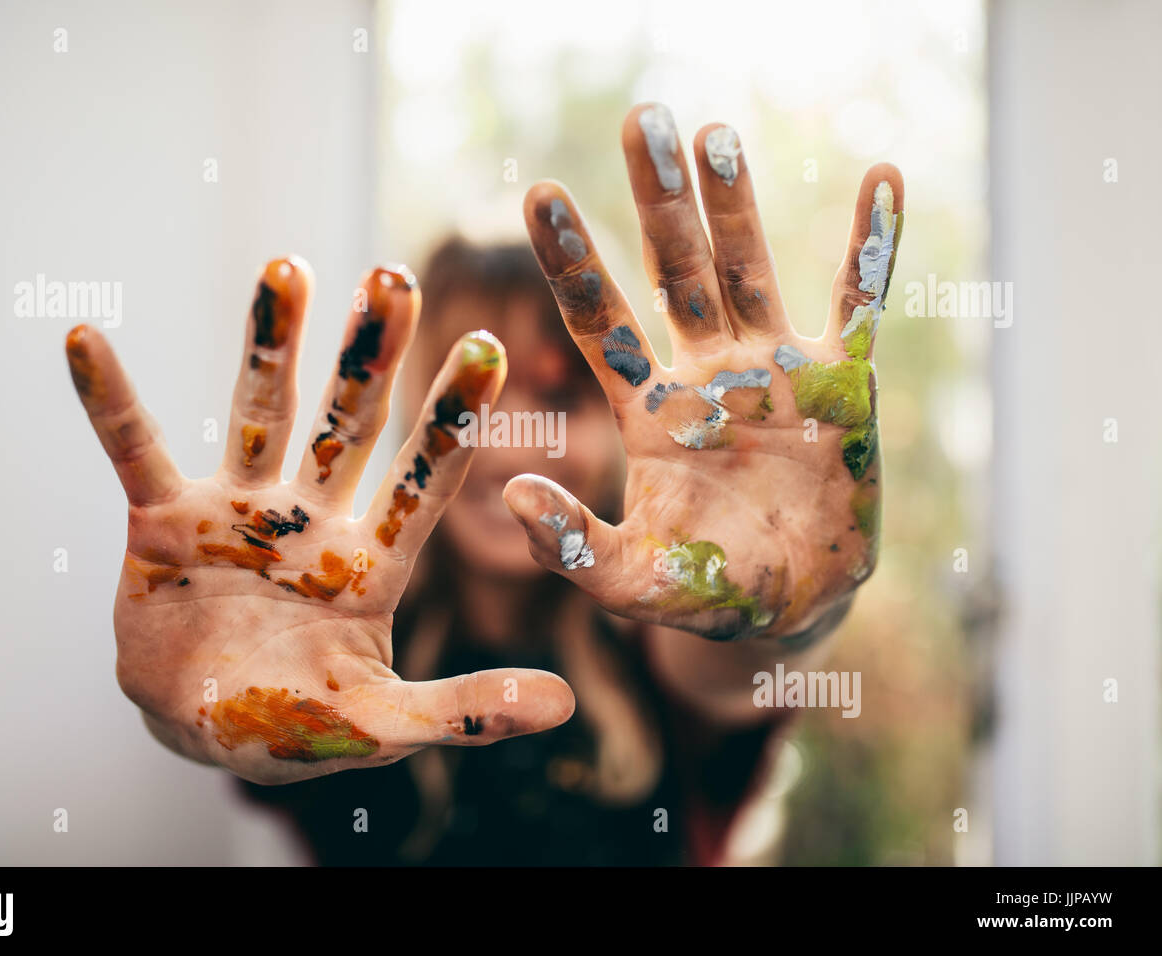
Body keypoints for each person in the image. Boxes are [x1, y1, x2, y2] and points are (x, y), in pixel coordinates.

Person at [63, 104, 903, 865]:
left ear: (627, 425)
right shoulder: (327, 634)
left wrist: (782, 609)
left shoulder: (664, 631)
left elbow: (738, 658)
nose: (508, 449)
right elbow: (246, 712)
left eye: (556, 396)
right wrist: (196, 698)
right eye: (468, 402)